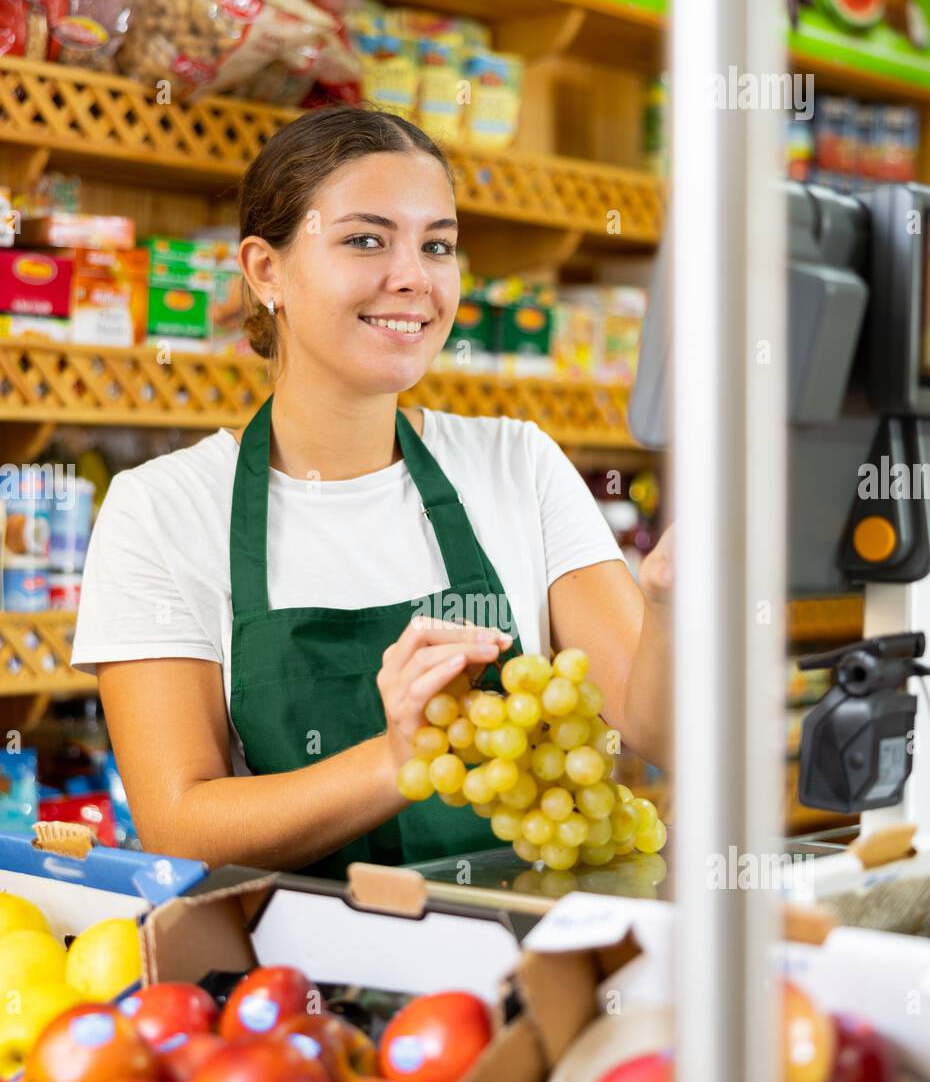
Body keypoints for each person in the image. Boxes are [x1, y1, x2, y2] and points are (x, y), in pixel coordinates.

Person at [71, 105, 673, 877]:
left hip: (517, 965)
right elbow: (178, 826)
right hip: (292, 982)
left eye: (438, 245)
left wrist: (668, 605)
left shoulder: (517, 464)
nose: (414, 278)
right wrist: (398, 757)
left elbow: (654, 728)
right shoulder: (163, 510)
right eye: (365, 240)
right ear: (265, 271)